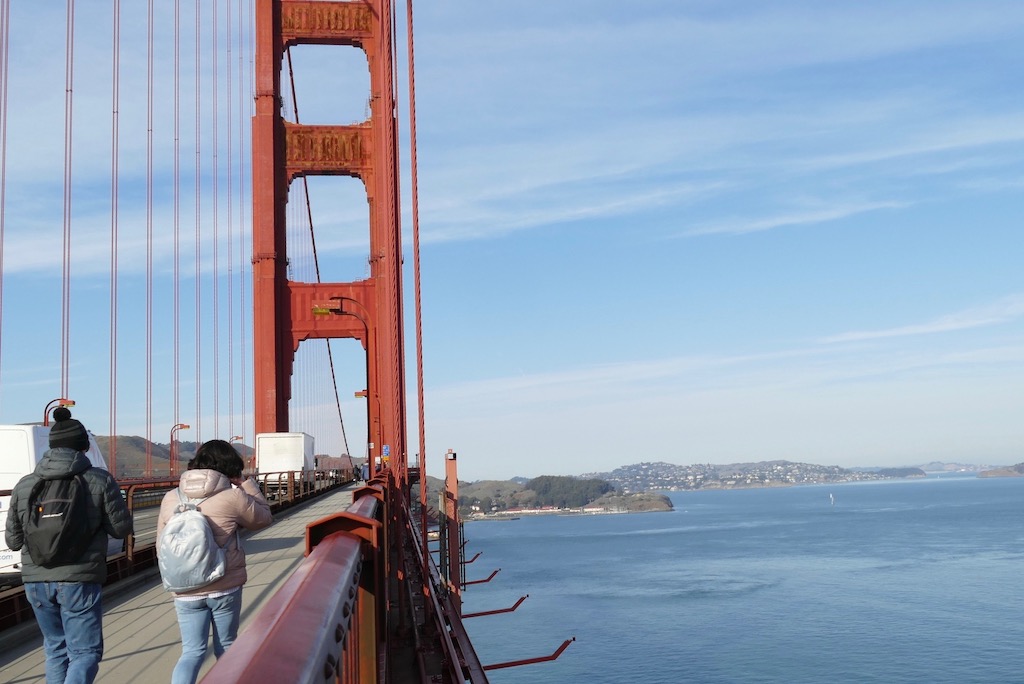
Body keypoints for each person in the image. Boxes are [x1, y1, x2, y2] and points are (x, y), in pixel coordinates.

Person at [4, 407, 133, 684]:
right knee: (84, 652)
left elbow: (13, 540)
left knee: (55, 649)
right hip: (79, 579)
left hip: (36, 580)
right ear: (84, 447)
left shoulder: (25, 484)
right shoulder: (99, 480)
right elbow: (121, 529)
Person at [157, 439, 272, 684]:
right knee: (227, 647)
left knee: (191, 652)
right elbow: (263, 518)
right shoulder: (232, 496)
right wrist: (247, 485)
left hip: (185, 588)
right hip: (224, 584)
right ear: (231, 468)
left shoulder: (171, 497)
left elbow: (161, 545)